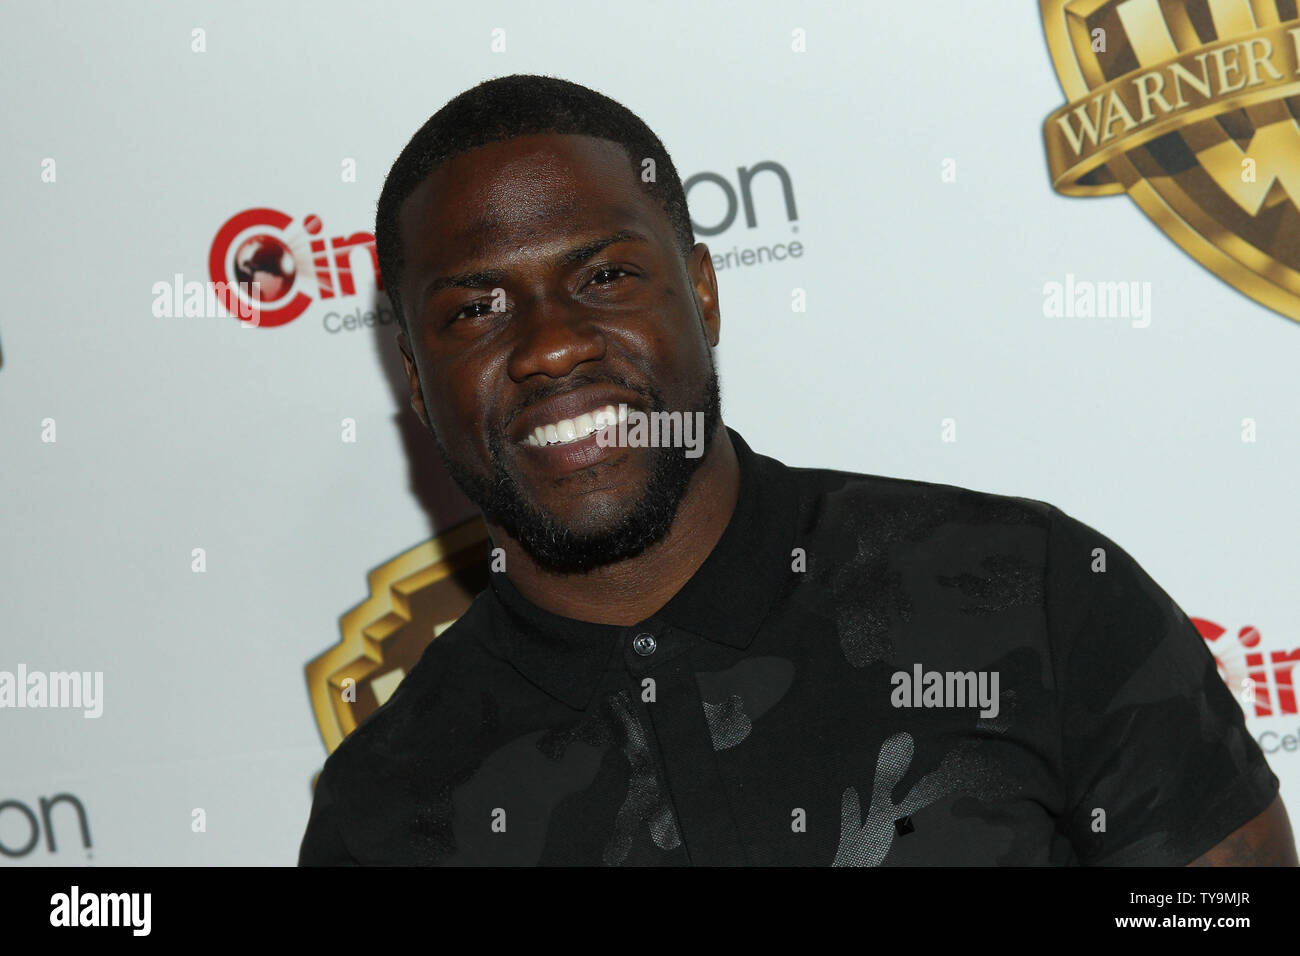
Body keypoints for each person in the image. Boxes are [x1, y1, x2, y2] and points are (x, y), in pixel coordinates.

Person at [298, 74, 1295, 866]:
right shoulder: (385, 807)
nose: (552, 346)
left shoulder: (1025, 591)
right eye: (476, 309)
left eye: (604, 276)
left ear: (701, 295)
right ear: (419, 386)